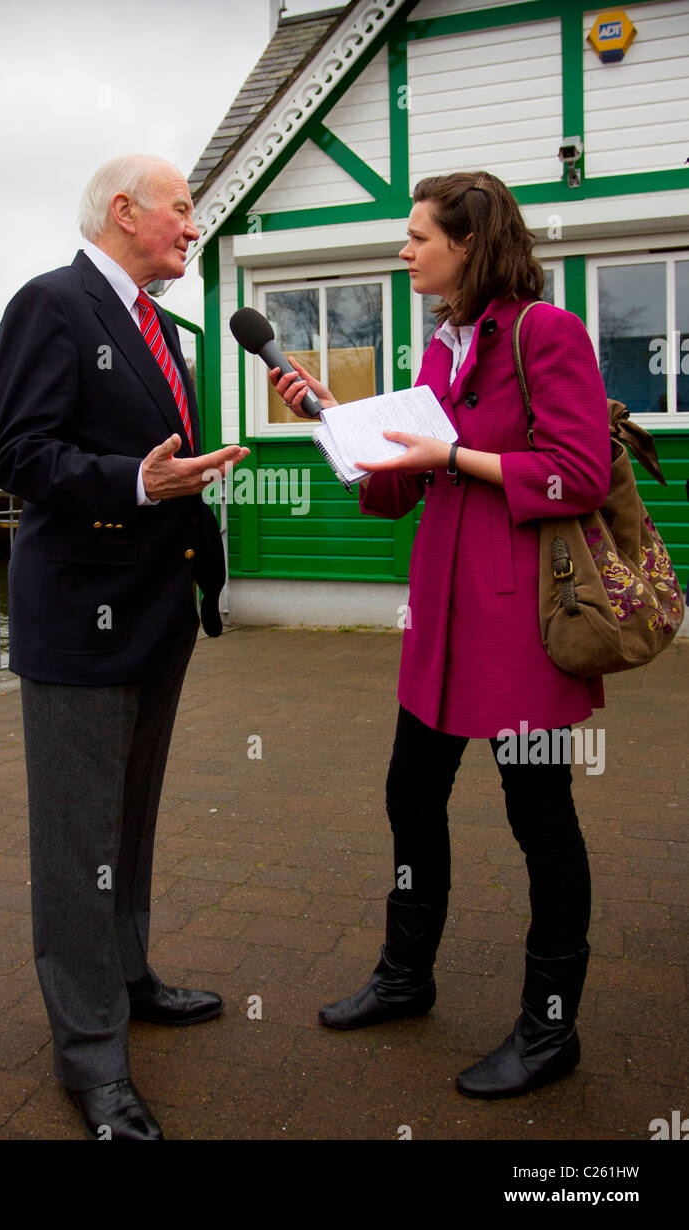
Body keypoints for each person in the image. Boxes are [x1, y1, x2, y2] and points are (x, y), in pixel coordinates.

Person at [270, 170, 612, 1099]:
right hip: (441, 629)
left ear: (471, 243)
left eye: (420, 235)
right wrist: (333, 427)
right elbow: (392, 493)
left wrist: (454, 454)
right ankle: (405, 976)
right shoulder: (439, 352)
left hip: (525, 637)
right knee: (409, 798)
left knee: (541, 820)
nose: (405, 249)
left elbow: (579, 474)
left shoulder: (548, 332)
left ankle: (550, 1032)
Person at [0, 154, 248, 1140]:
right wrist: (136, 483)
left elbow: (159, 458)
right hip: (79, 629)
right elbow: (20, 453)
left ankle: (129, 974)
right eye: (182, 210)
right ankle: (91, 1059)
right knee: (77, 842)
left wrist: (175, 490)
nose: (192, 227)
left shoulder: (156, 326)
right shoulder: (50, 304)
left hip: (156, 617)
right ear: (124, 210)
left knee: (128, 823)